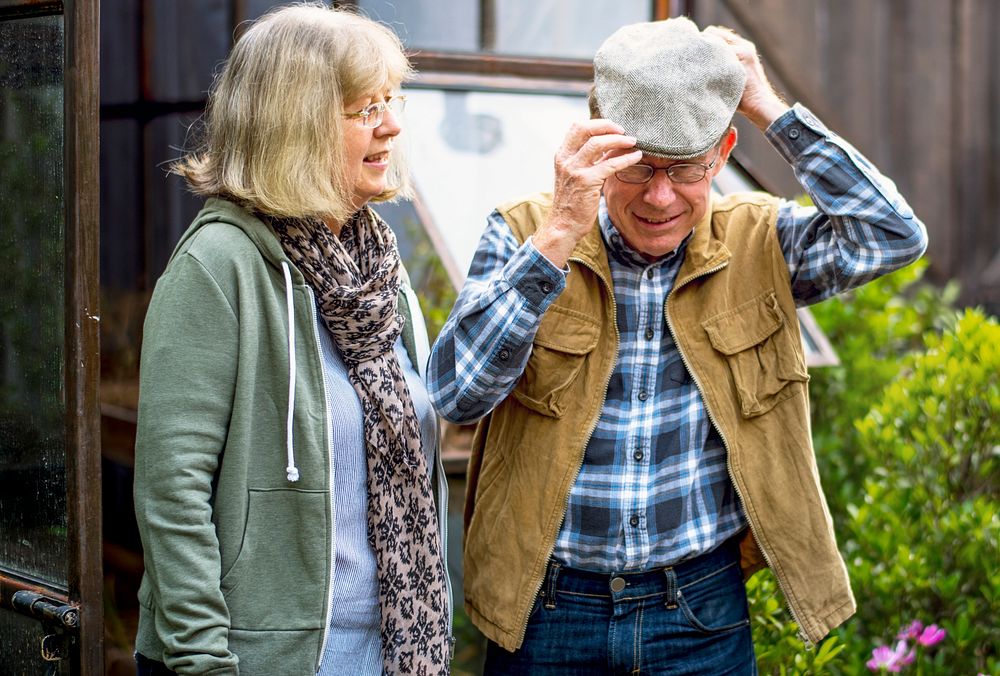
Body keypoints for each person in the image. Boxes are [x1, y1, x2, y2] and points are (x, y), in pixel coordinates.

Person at [427, 17, 927, 675]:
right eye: (639, 167)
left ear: (722, 155)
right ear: (600, 152)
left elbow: (892, 236)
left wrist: (767, 105)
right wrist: (557, 238)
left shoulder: (759, 240)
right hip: (548, 612)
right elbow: (456, 394)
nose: (660, 197)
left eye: (686, 168)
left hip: (700, 611)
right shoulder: (525, 231)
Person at [132, 4, 452, 674]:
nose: (392, 123)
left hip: (394, 648)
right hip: (263, 657)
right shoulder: (218, 267)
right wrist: (202, 660)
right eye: (365, 107)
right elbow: (172, 492)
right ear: (294, 123)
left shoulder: (377, 271)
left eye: (393, 99)